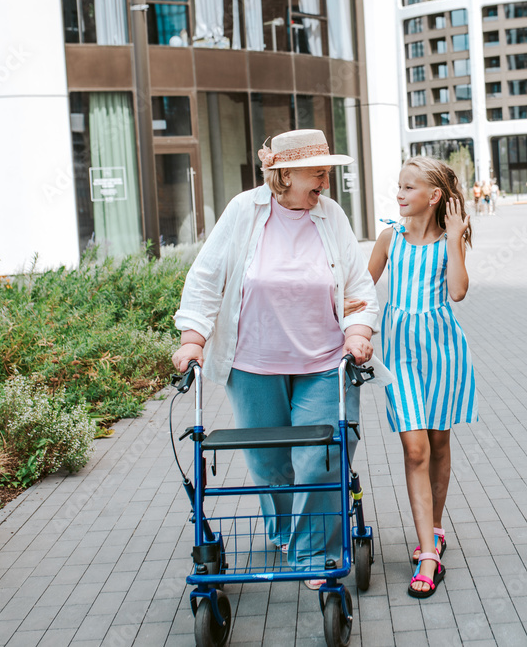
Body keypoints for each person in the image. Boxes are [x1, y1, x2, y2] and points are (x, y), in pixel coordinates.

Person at [172, 129, 379, 588]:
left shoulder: (331, 216)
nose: (325, 181)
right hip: (252, 364)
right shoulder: (244, 211)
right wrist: (192, 338)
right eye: (317, 172)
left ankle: (312, 554)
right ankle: (286, 532)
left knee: (321, 457)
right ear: (283, 175)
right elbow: (206, 277)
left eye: (327, 172)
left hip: (325, 361)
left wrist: (359, 332)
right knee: (268, 462)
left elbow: (359, 288)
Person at [367, 156, 479, 599]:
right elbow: (362, 290)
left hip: (442, 354)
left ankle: (432, 528)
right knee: (415, 450)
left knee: (438, 443)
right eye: (398, 186)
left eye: (408, 188)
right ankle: (429, 554)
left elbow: (457, 291)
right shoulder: (389, 238)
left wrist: (454, 240)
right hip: (401, 360)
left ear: (433, 196)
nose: (399, 194)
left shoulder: (450, 241)